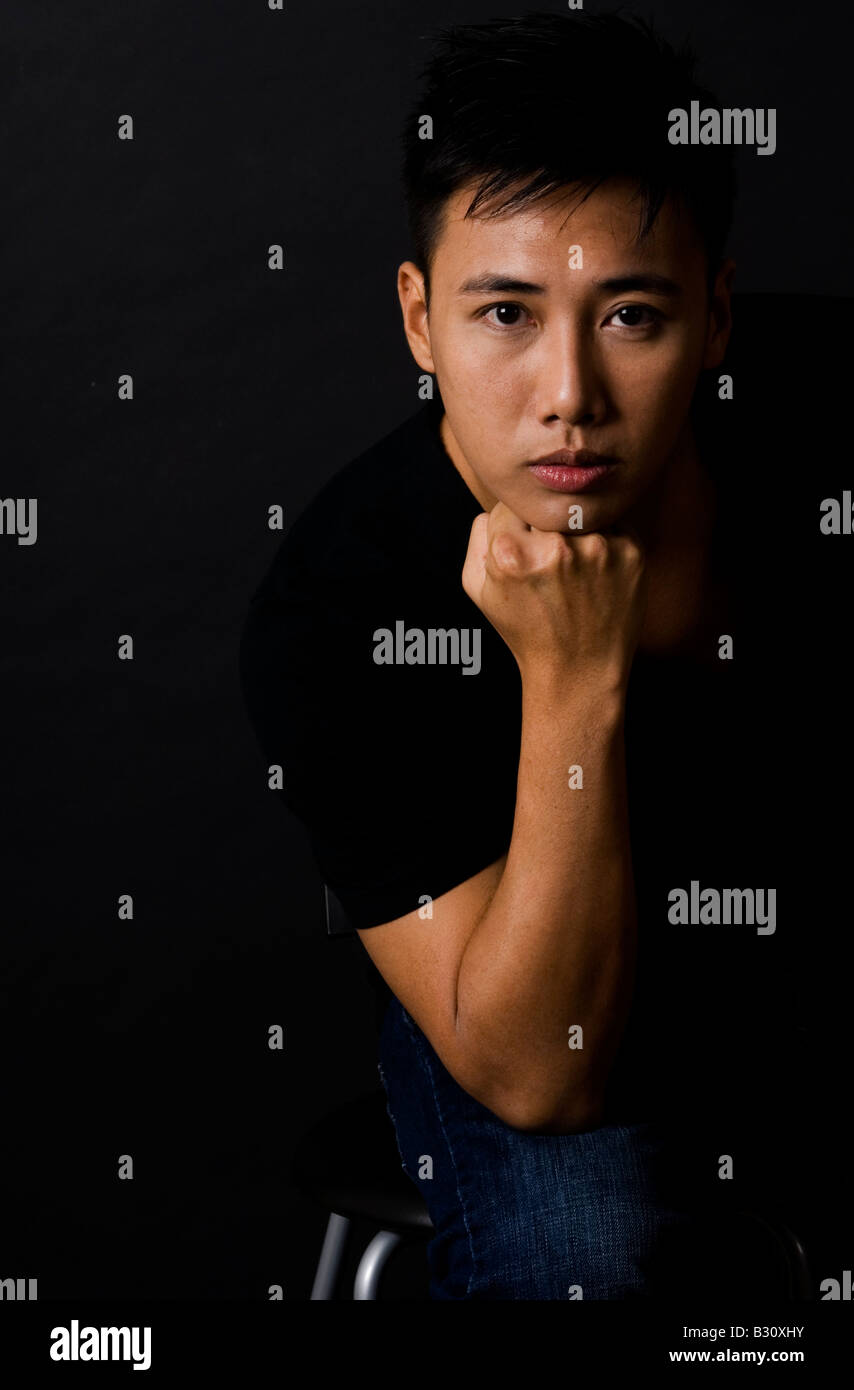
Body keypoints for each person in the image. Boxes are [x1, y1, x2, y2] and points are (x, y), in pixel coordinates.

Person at [239, 11, 845, 1298]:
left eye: (629, 315)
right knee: (584, 1253)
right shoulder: (340, 607)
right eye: (504, 312)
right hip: (541, 997)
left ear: (716, 313)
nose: (567, 390)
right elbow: (537, 1070)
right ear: (418, 320)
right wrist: (574, 679)